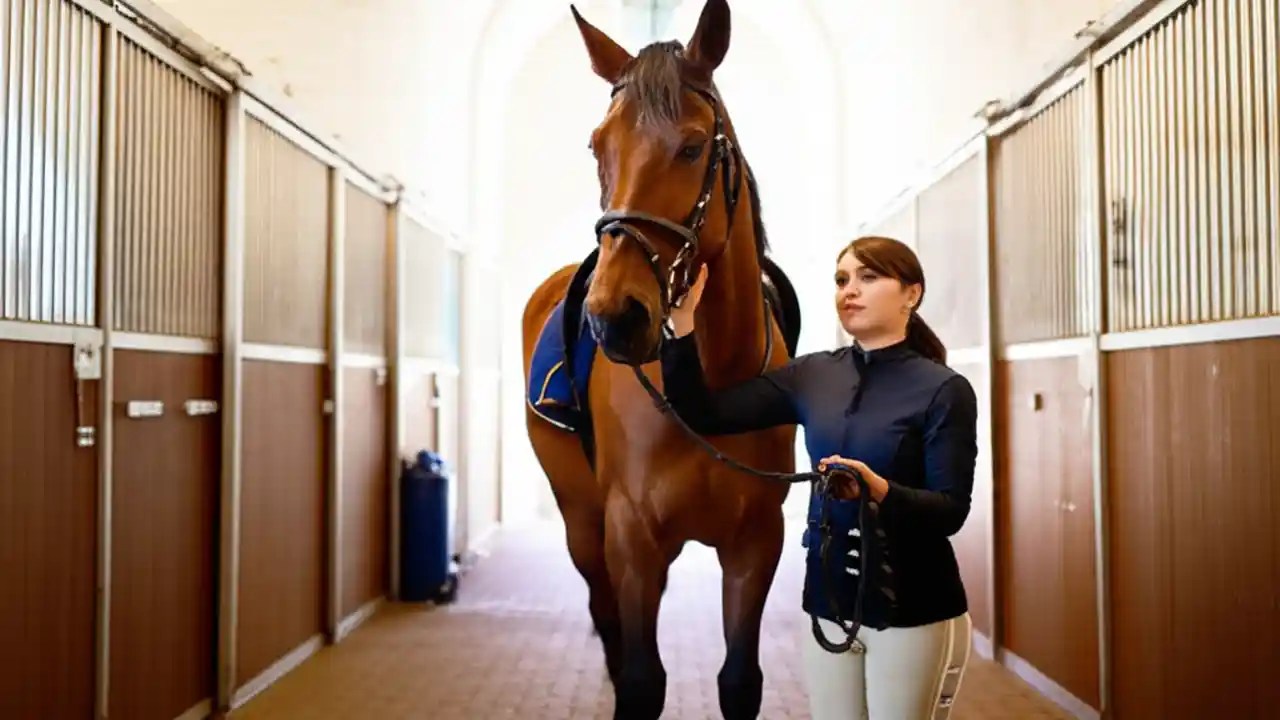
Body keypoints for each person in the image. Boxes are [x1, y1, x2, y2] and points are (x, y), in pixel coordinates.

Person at [659, 235, 977, 719]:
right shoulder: (810, 375)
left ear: (911, 294)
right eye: (842, 279)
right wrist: (680, 329)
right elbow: (704, 414)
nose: (850, 289)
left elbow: (951, 511)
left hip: (914, 609)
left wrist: (880, 490)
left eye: (868, 277)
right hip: (828, 603)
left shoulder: (945, 390)